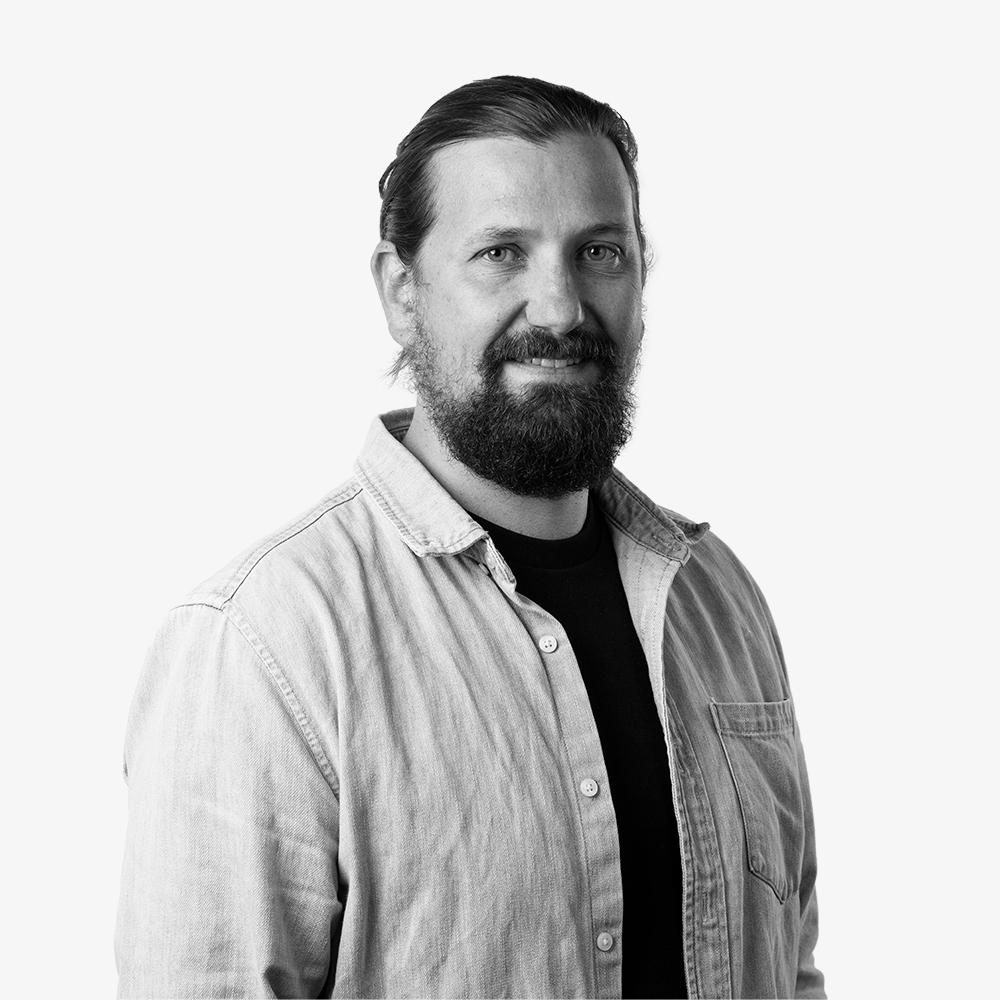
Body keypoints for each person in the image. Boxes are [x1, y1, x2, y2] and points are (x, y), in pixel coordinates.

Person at [115, 76, 824, 1000]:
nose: (560, 308)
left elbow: (790, 962)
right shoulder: (262, 642)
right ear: (402, 291)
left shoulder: (717, 599)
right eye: (500, 254)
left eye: (599, 252)